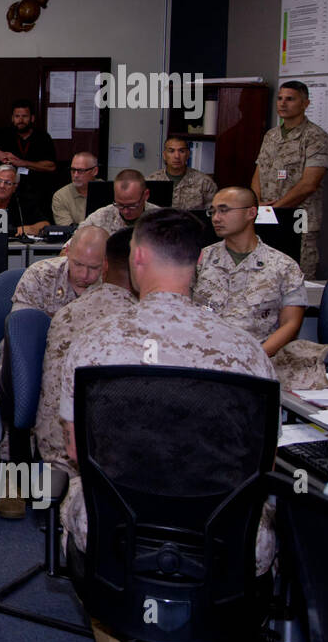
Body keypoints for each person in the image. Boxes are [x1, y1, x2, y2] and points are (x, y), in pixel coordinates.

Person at [57, 209, 277, 578]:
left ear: (137, 256)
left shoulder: (94, 344)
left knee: (78, 495)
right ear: (202, 259)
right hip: (222, 540)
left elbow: (77, 450)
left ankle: (110, 632)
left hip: (118, 532)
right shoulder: (249, 351)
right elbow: (264, 464)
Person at [29, 228, 134, 484]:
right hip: (111, 461)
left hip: (55, 452)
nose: (85, 275)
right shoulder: (140, 318)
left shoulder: (67, 314)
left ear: (105, 266)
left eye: (93, 268)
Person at [193, 187, 314, 391]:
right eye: (212, 211)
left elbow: (291, 324)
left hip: (257, 367)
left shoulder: (284, 266)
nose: (216, 218)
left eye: (224, 210)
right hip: (203, 365)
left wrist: (252, 357)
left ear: (251, 213)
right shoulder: (199, 261)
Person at [252, 80, 328, 278]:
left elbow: (309, 185)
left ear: (305, 104)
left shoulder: (316, 138)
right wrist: (256, 203)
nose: (282, 103)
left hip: (299, 222)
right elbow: (258, 173)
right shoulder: (271, 136)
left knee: (297, 280)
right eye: (280, 99)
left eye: (290, 99)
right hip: (265, 218)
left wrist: (275, 210)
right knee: (263, 277)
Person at [0, 99, 56, 210]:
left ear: (32, 118)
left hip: (35, 192)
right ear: (12, 118)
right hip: (6, 191)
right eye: (17, 116)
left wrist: (23, 163)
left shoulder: (42, 137)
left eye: (24, 116)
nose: (20, 120)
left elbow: (51, 166)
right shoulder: (4, 133)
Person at [79, 168, 160, 235]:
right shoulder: (100, 218)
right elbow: (70, 246)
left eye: (132, 205)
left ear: (146, 195)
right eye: (120, 205)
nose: (126, 211)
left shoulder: (161, 220)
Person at [146, 136, 216, 211]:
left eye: (181, 151)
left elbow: (212, 213)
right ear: (164, 155)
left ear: (188, 154)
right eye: (171, 151)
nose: (177, 156)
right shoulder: (152, 181)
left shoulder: (204, 182)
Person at [52, 152, 99, 226]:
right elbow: (67, 229)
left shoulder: (109, 191)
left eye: (81, 171)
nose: (75, 175)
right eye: (73, 170)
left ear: (95, 171)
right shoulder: (61, 196)